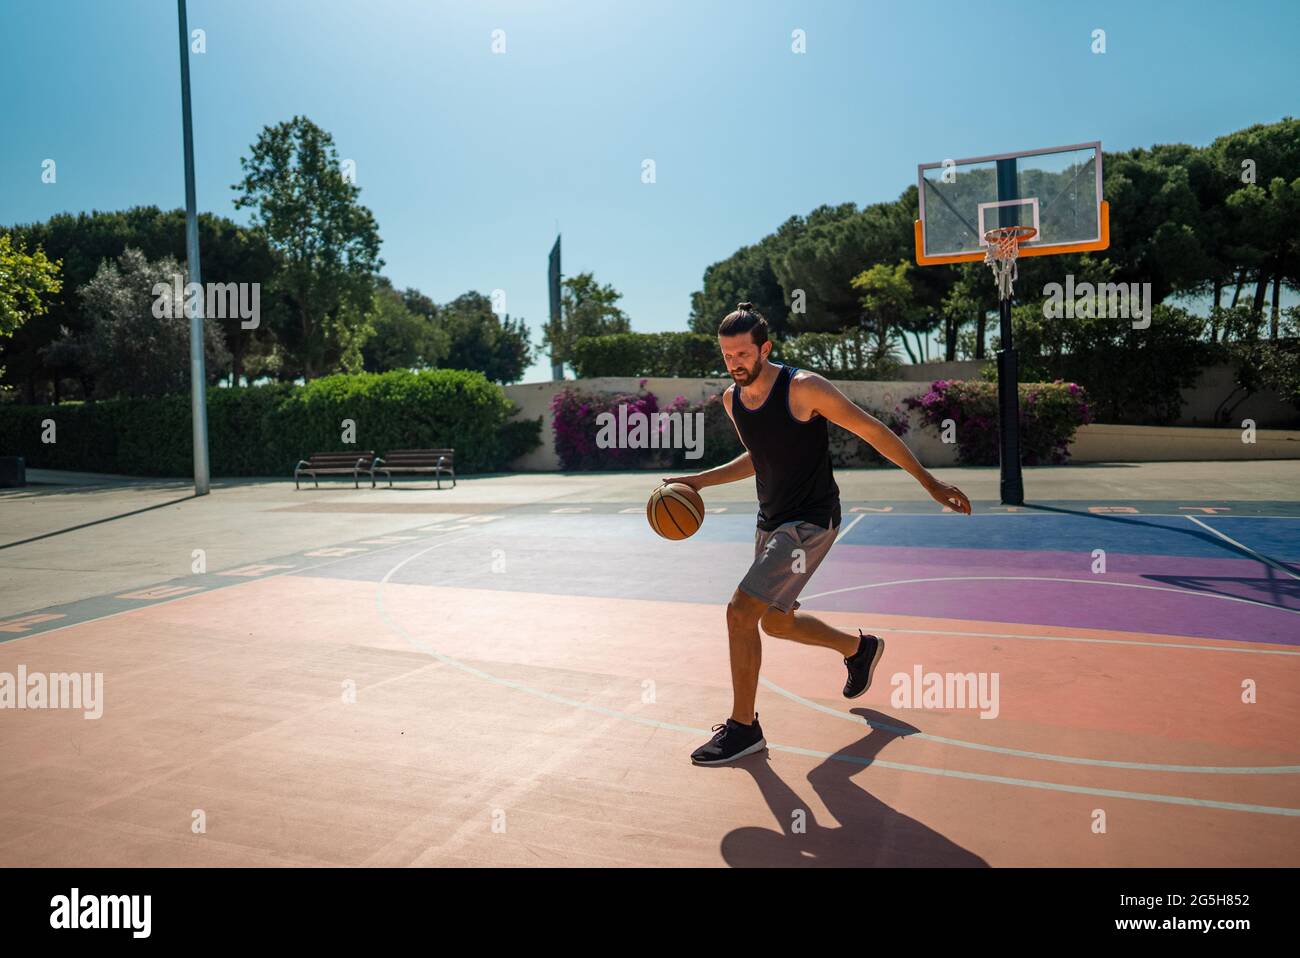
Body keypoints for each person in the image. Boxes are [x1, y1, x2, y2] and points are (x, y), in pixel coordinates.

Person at [665, 302, 972, 766]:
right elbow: (758, 458)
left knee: (739, 614)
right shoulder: (733, 400)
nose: (735, 364)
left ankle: (744, 728)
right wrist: (697, 481)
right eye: (727, 356)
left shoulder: (803, 388)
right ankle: (859, 648)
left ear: (765, 348)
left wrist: (929, 482)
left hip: (810, 523)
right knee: (775, 621)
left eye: (743, 354)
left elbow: (873, 432)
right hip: (770, 522)